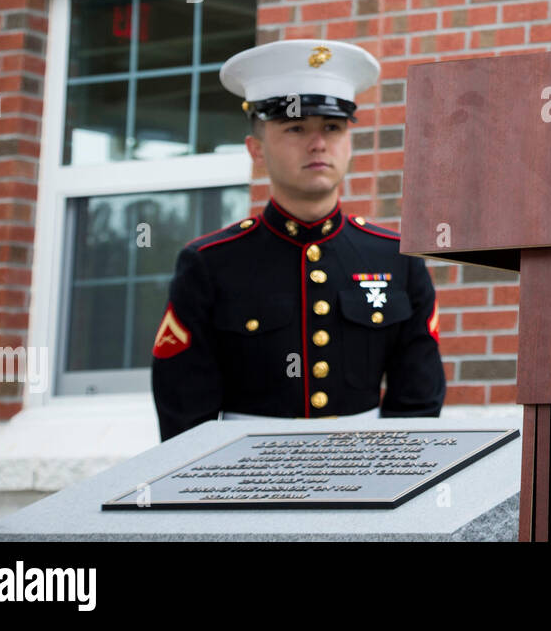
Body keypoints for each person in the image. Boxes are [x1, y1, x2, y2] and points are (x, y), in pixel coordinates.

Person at [151, 39, 445, 441]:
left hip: (369, 475)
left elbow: (419, 401)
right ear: (256, 149)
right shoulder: (211, 263)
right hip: (244, 476)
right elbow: (183, 414)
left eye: (332, 127)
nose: (318, 143)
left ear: (349, 142)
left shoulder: (396, 258)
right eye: (295, 128)